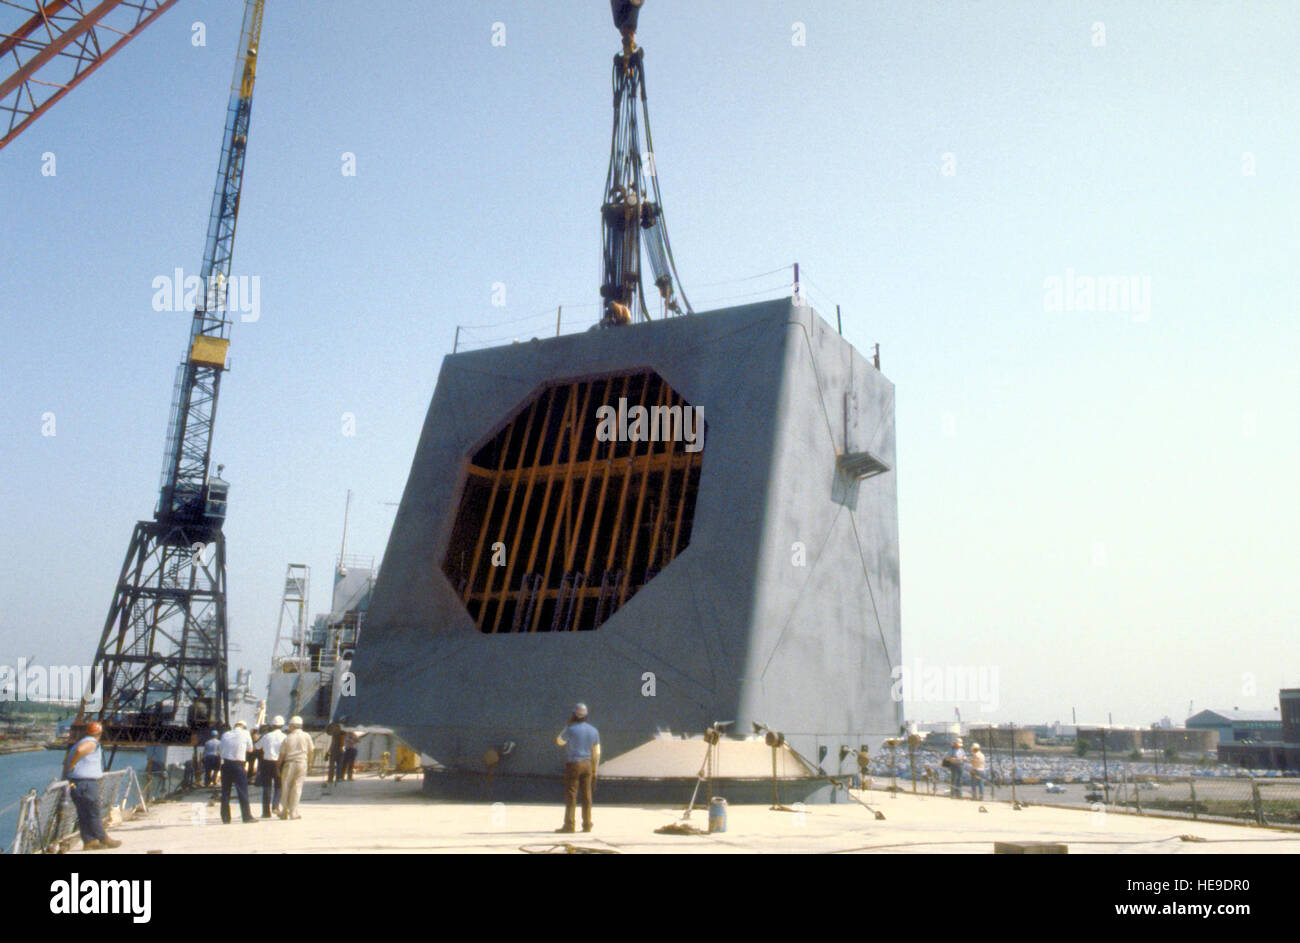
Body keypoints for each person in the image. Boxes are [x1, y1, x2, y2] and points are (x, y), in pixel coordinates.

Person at [63, 721, 121, 850]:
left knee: (83, 812)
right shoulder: (91, 743)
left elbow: (71, 755)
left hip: (74, 783)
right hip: (86, 783)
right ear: (100, 733)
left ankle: (89, 841)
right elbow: (80, 750)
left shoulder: (79, 742)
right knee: (94, 811)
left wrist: (71, 766)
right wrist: (73, 764)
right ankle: (104, 838)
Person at [554, 702, 600, 833]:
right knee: (587, 795)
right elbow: (597, 752)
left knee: (571, 794)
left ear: (574, 715)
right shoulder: (594, 731)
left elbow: (559, 741)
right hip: (588, 764)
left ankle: (569, 825)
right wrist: (594, 769)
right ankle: (587, 824)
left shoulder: (571, 729)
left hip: (574, 764)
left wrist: (567, 726)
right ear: (586, 715)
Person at [219, 720, 256, 824]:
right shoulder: (246, 733)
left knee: (225, 792)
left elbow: (221, 749)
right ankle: (246, 817)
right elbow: (250, 749)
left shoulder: (225, 734)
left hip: (226, 765)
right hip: (238, 765)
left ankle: (225, 818)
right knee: (242, 791)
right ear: (244, 727)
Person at [278, 716, 313, 820]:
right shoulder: (307, 736)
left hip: (289, 764)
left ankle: (284, 811)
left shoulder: (288, 738)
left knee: (286, 787)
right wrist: (309, 763)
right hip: (302, 763)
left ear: (292, 726)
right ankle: (293, 812)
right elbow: (311, 751)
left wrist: (278, 767)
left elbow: (281, 755)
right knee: (297, 788)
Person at [254, 716, 287, 818]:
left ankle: (265, 812)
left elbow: (257, 747)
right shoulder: (285, 737)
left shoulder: (267, 736)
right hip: (279, 763)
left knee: (267, 787)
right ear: (282, 726)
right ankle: (275, 806)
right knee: (278, 785)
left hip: (267, 763)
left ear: (272, 725)